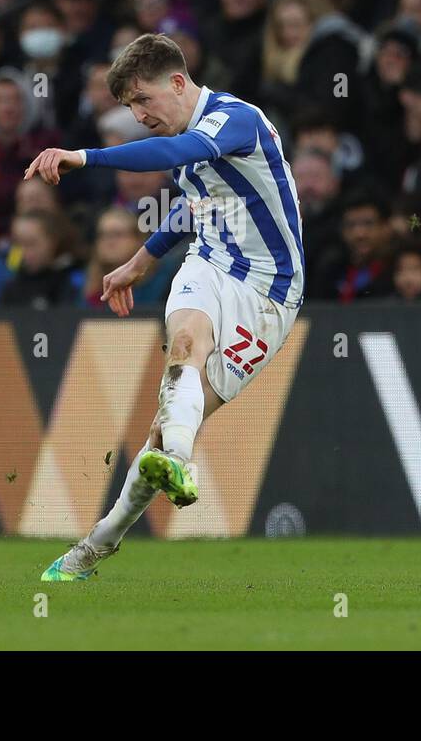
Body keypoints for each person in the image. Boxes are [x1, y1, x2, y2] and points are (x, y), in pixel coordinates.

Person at [22, 33, 303, 581]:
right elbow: (195, 206)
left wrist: (85, 155)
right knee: (185, 346)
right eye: (128, 107)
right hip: (210, 262)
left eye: (141, 100)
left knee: (161, 427)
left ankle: (99, 542)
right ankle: (179, 462)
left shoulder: (233, 120)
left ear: (178, 83)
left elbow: (178, 156)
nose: (137, 116)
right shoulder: (186, 138)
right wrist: (141, 262)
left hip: (270, 294)